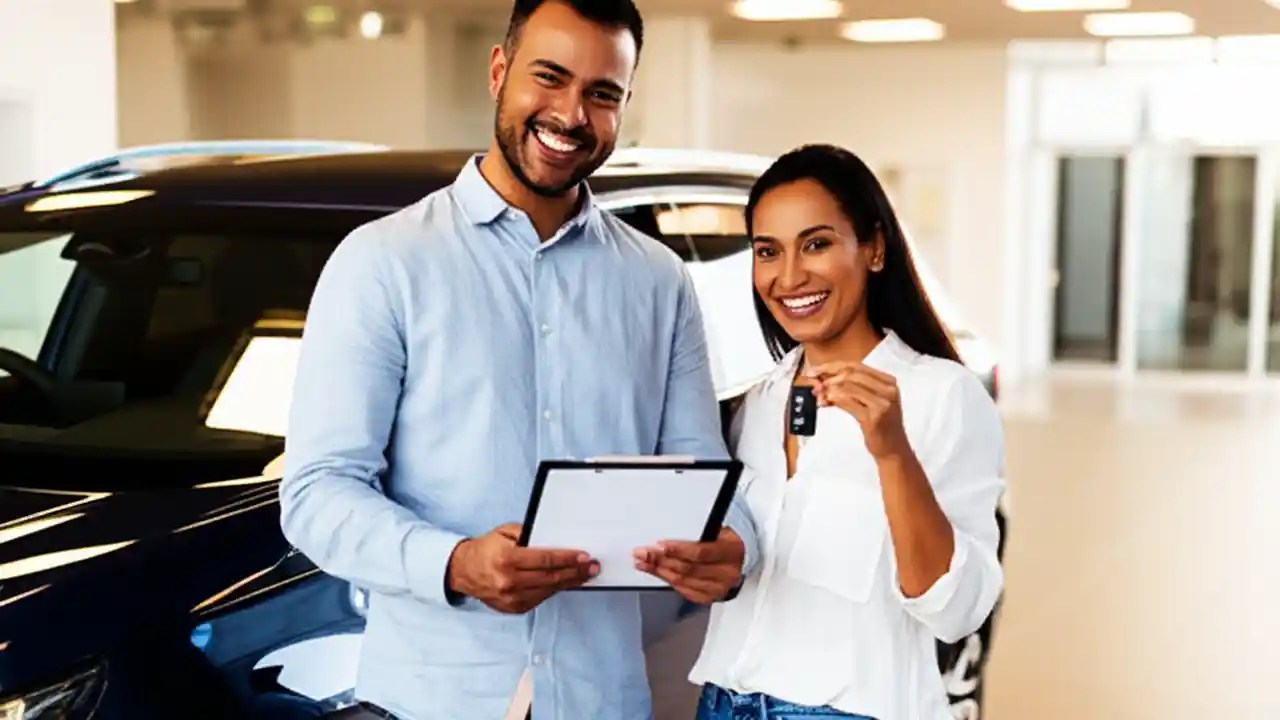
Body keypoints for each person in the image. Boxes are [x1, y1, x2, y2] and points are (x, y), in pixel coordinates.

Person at [277, 1, 759, 718]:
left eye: (603, 93)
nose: (571, 114)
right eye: (550, 78)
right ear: (499, 72)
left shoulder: (659, 282)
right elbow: (316, 493)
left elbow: (698, 475)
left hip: (603, 699)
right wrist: (455, 563)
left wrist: (732, 546)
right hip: (433, 700)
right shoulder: (384, 263)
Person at [680, 144, 1006, 720]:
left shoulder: (942, 396)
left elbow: (958, 612)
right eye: (767, 251)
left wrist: (892, 452)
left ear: (874, 248)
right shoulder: (753, 405)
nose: (789, 276)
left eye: (817, 244)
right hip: (722, 705)